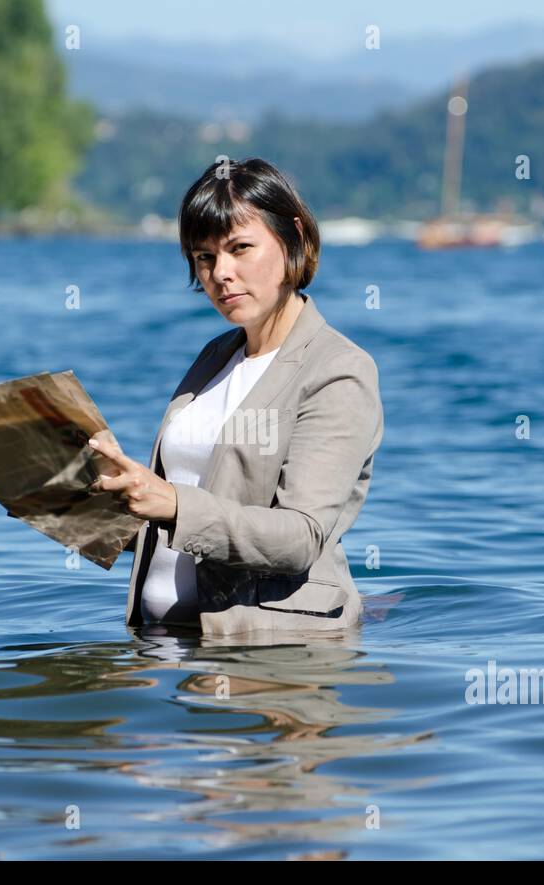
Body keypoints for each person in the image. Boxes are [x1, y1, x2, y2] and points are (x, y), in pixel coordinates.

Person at [87, 157, 384, 636]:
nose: (220, 272)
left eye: (240, 248)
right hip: (162, 647)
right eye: (204, 257)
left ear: (295, 240)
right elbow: (174, 522)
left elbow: (301, 537)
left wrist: (171, 502)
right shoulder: (215, 357)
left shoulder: (339, 369)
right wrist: (69, 500)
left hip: (272, 653)